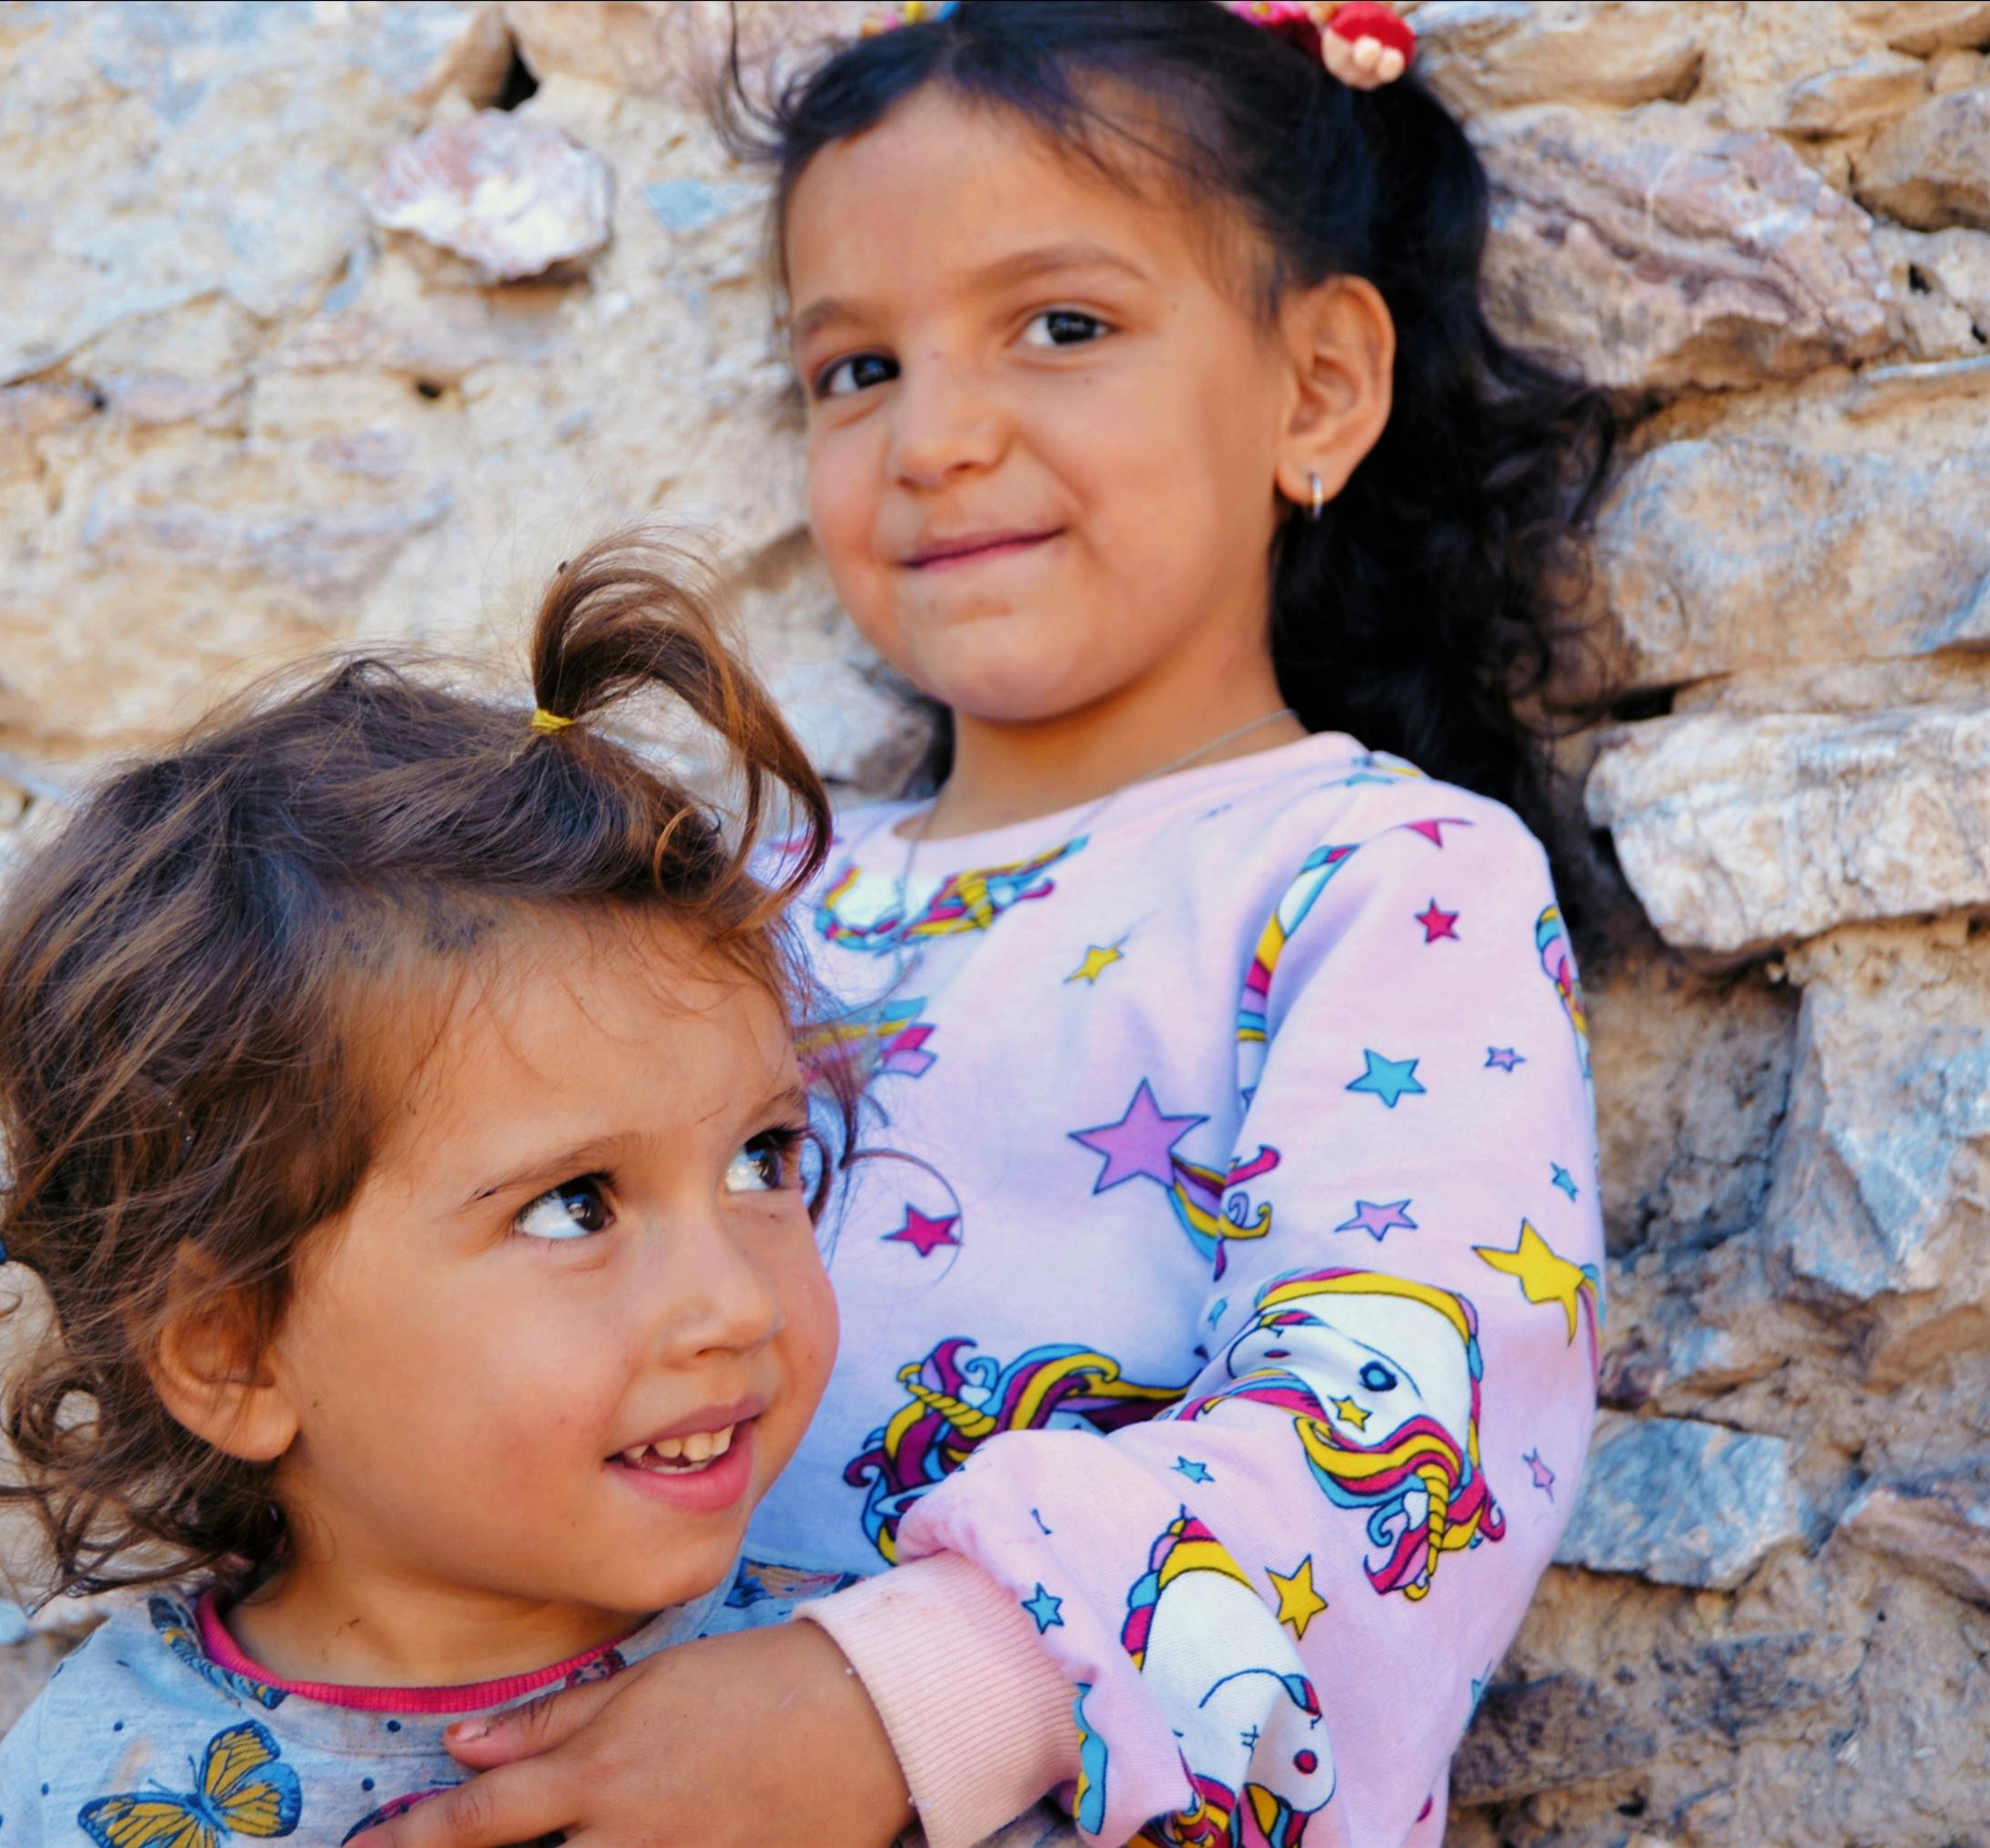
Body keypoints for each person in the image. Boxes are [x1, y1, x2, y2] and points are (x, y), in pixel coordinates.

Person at [358, 5, 1615, 1845]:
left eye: (1064, 326)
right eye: (855, 369)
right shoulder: (729, 905)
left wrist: (902, 1698)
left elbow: (1399, 1432)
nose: (935, 438)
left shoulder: (1382, 881)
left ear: (1319, 388)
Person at [0, 541, 1069, 1847]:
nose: (737, 1302)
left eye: (765, 1158)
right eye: (575, 1205)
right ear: (232, 1348)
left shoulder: (851, 1722)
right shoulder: (89, 1793)